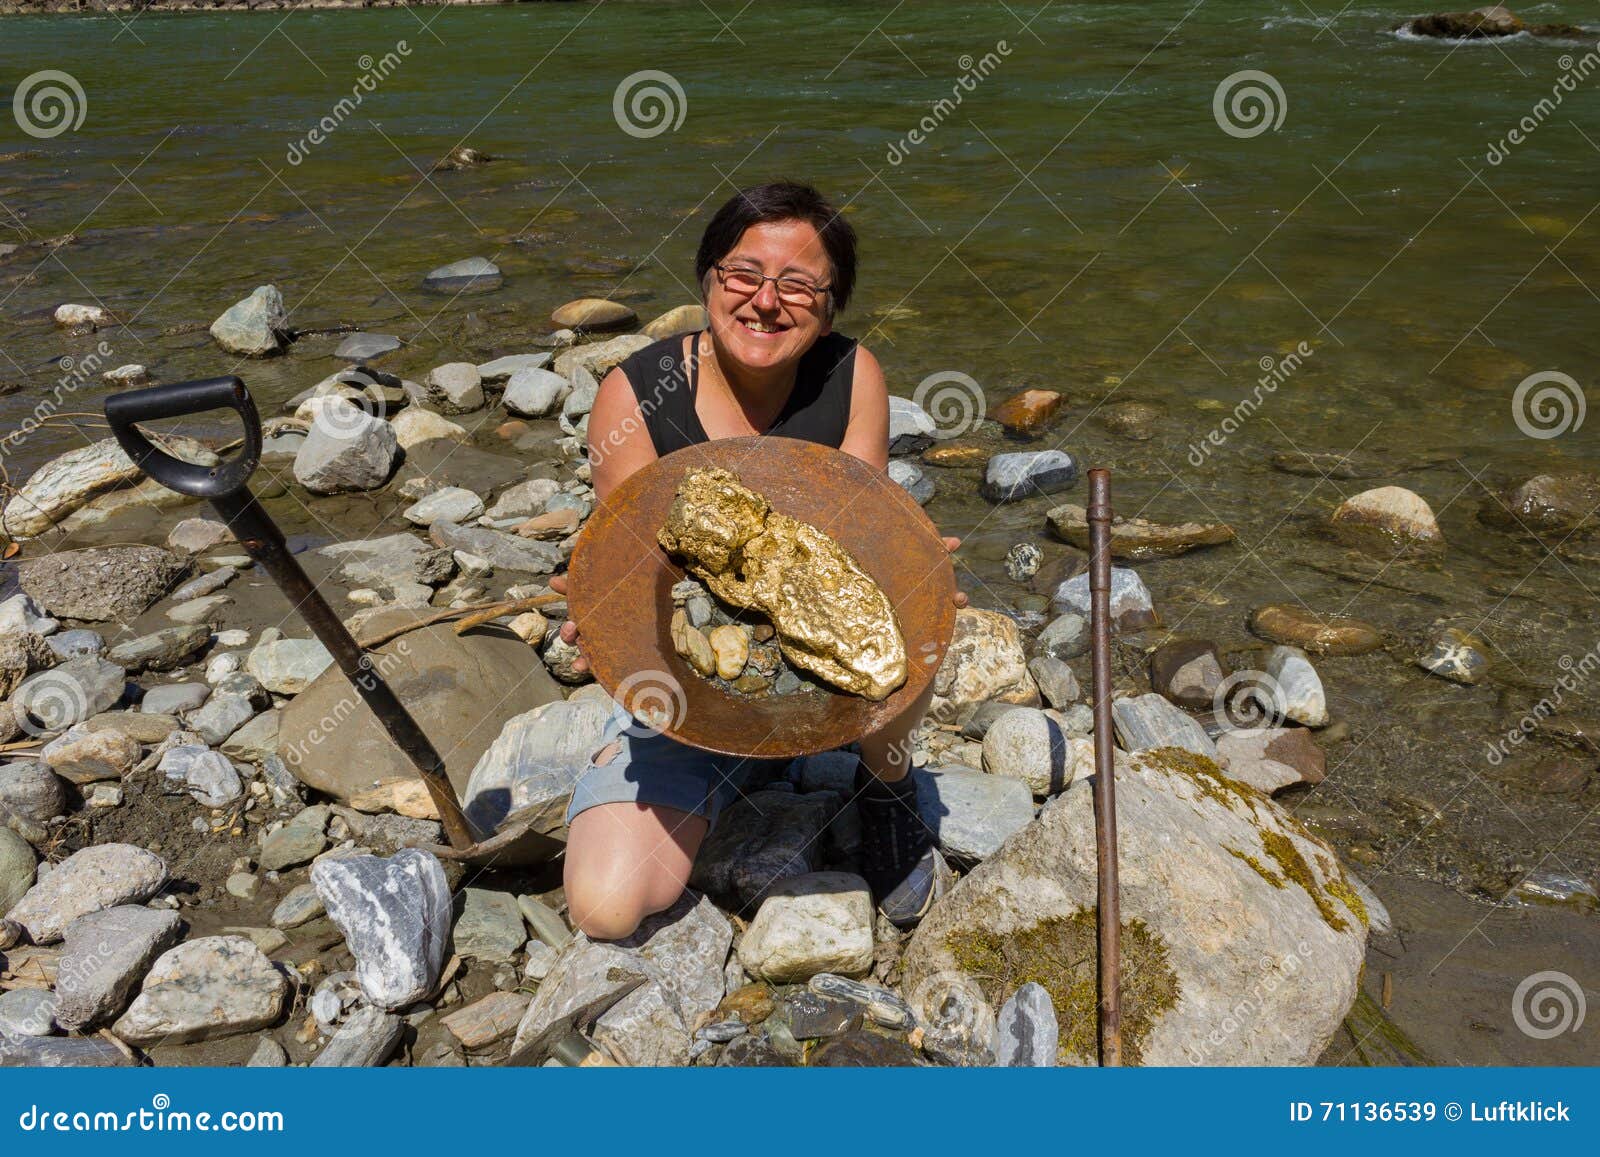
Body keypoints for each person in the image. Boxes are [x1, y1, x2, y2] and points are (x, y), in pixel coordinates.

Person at [548, 180, 966, 942]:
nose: (766, 301)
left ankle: (885, 785)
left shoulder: (851, 376)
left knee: (911, 601)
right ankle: (723, 765)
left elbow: (854, 543)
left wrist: (913, 568)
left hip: (819, 674)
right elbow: (636, 567)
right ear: (709, 278)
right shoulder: (638, 395)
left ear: (831, 304)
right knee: (605, 907)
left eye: (799, 284)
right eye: (744, 274)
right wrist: (603, 613)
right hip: (685, 685)